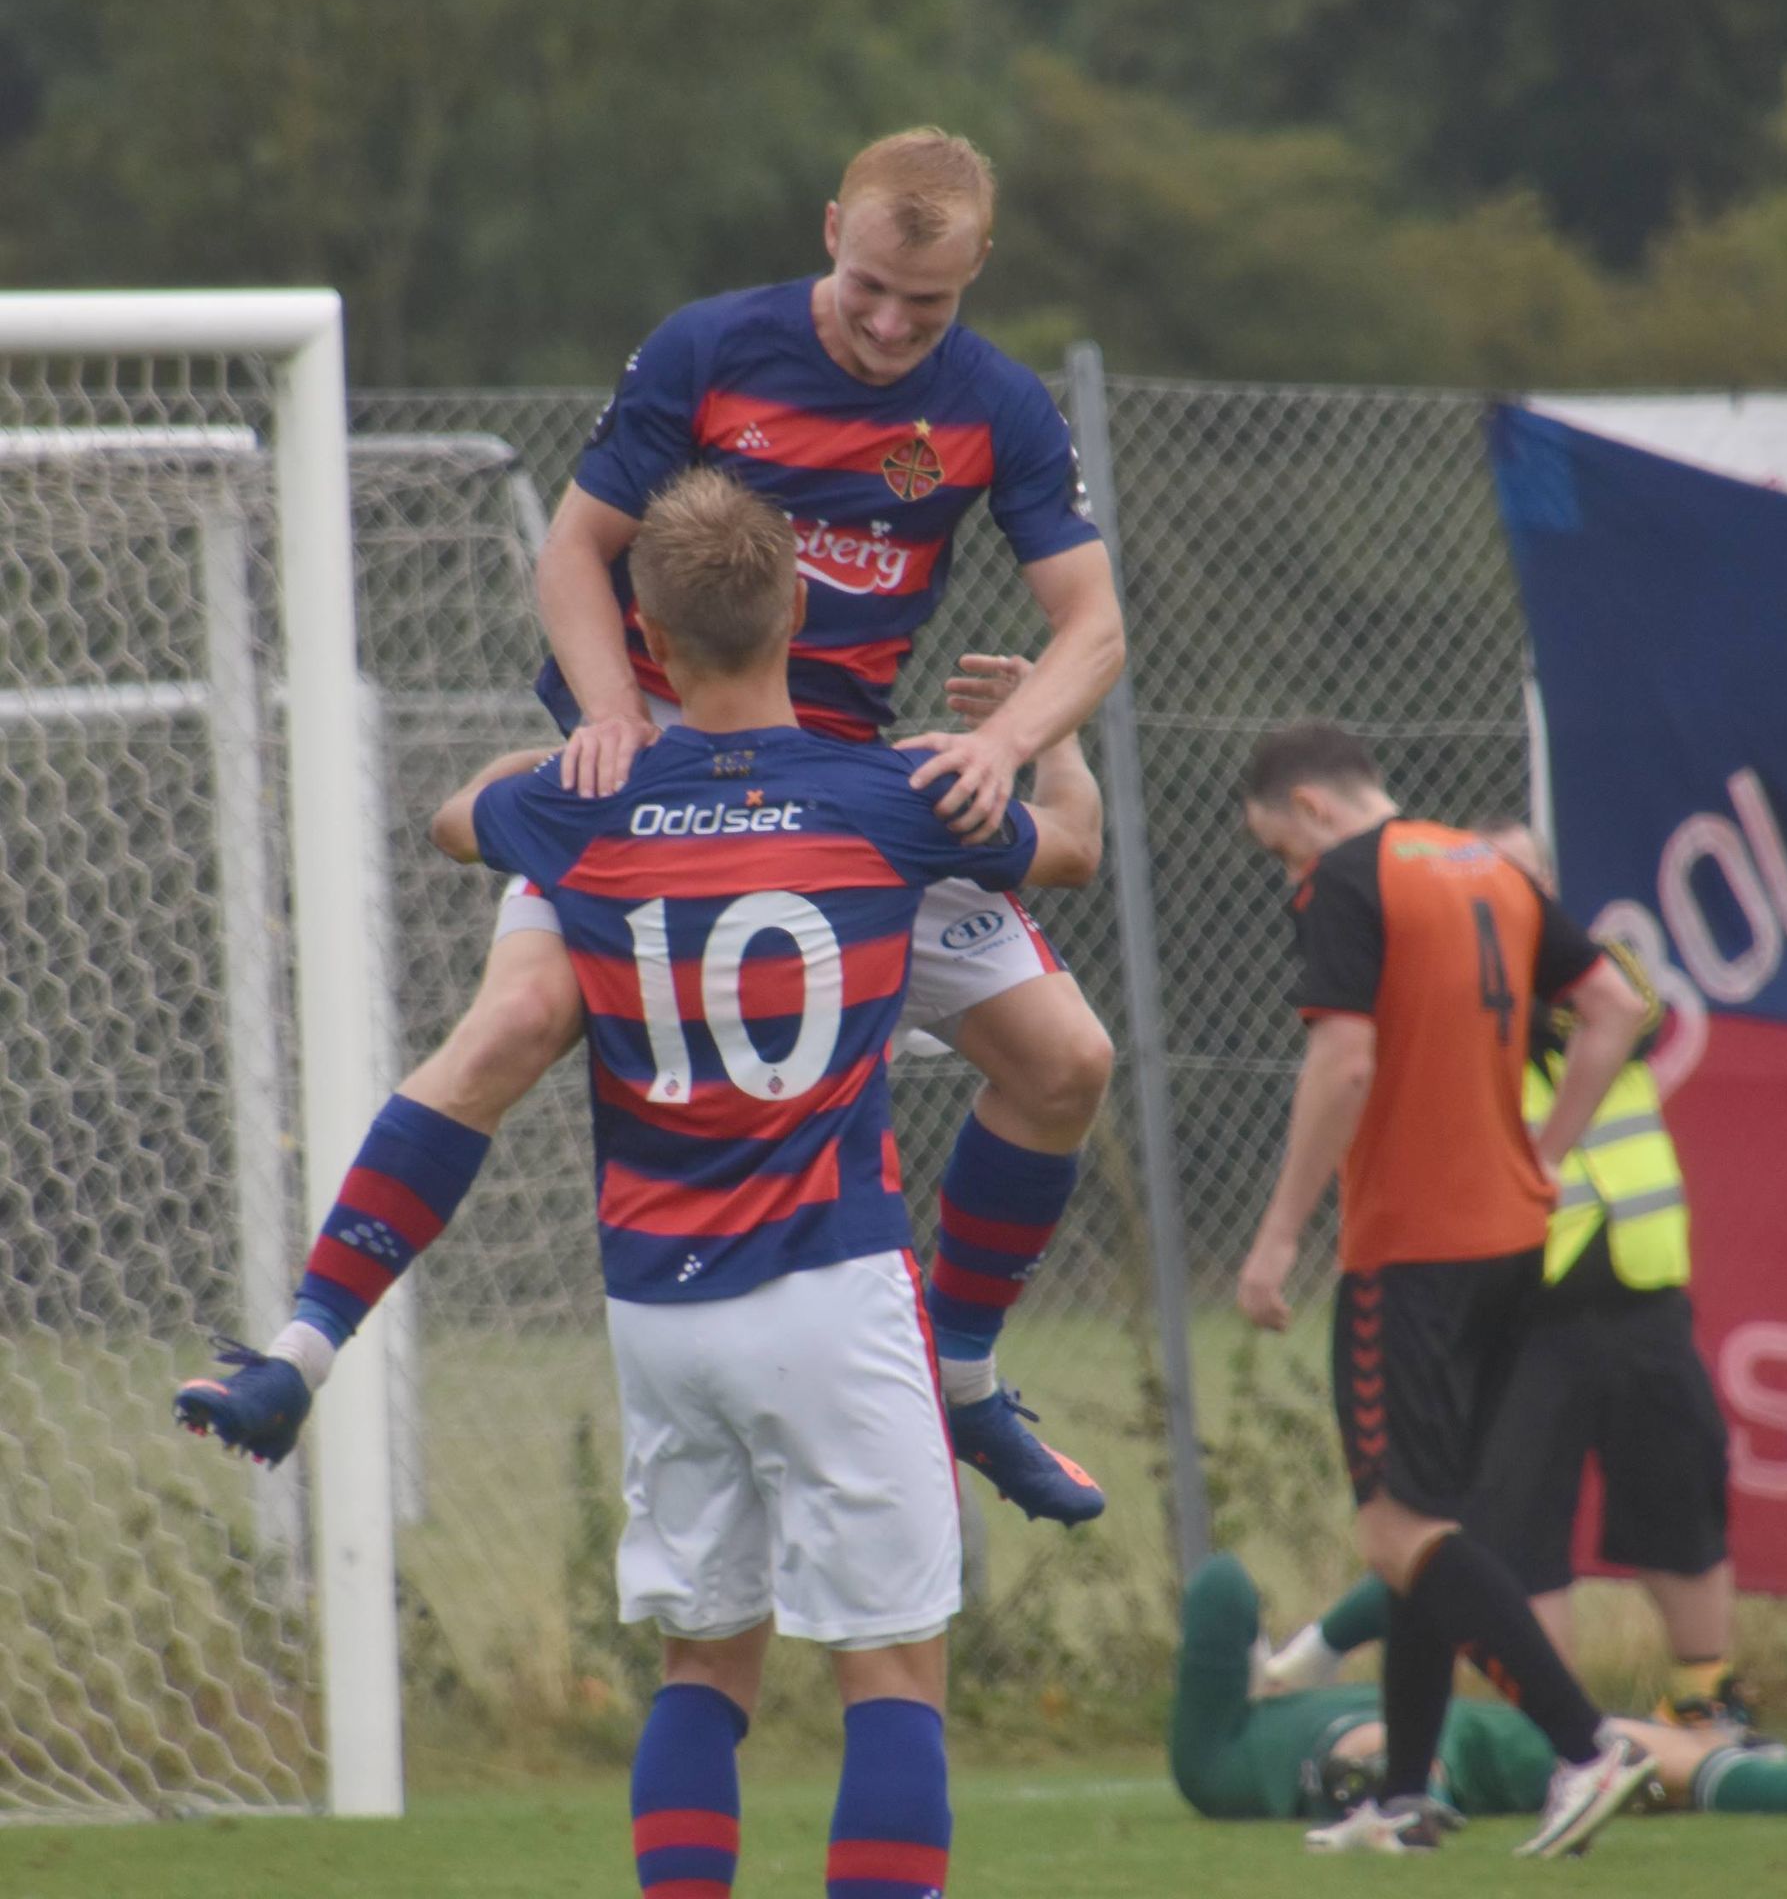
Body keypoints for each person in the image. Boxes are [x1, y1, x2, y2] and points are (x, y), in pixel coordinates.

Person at [184, 126, 1123, 1526]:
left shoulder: (997, 406)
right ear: (830, 231)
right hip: (659, 779)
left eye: (922, 305)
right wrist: (615, 719)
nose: (887, 325)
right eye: (869, 287)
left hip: (837, 797)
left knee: (1066, 1062)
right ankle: (299, 1354)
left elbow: (1092, 624)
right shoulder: (709, 350)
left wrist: (1002, 743)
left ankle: (964, 1381)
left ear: (978, 266)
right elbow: (575, 548)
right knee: (510, 1025)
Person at [186, 468, 1104, 1897]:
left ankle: (307, 1337)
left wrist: (583, 746)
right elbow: (1073, 850)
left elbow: (453, 819)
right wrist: (1047, 746)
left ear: (648, 645)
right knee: (891, 1672)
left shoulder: (585, 808)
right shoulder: (895, 796)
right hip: (832, 1287)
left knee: (703, 1667)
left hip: (661, 1315)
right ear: (799, 617)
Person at [1235, 722, 1655, 1859]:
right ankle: (1406, 1794)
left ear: (1310, 808)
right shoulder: (1491, 866)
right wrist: (1544, 1154)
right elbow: (1616, 1008)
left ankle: (1587, 1745)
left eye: (1277, 847)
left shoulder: (1347, 877)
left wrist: (1277, 1236)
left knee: (1397, 1524)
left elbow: (1344, 1060)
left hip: (1410, 1245)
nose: (1287, 870)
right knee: (1424, 1523)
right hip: (1510, 1237)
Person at [1460, 817, 1748, 1729]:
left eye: (1531, 878)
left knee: (1680, 1497)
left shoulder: (1608, 972)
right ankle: (1558, 1734)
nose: (1520, 897)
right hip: (1521, 1311)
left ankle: (1707, 1702)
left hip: (1641, 1300)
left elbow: (1618, 1011)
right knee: (1516, 1523)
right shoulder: (1450, 995)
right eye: (1497, 880)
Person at [1172, 1553, 1787, 1837]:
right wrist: (1302, 1662)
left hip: (1479, 1737)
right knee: (1376, 1751)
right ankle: (1404, 1798)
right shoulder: (1221, 1751)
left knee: (1665, 1757)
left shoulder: (1242, 1733)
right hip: (1411, 1745)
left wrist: (1306, 1657)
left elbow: (1409, 1578)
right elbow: (1221, 1584)